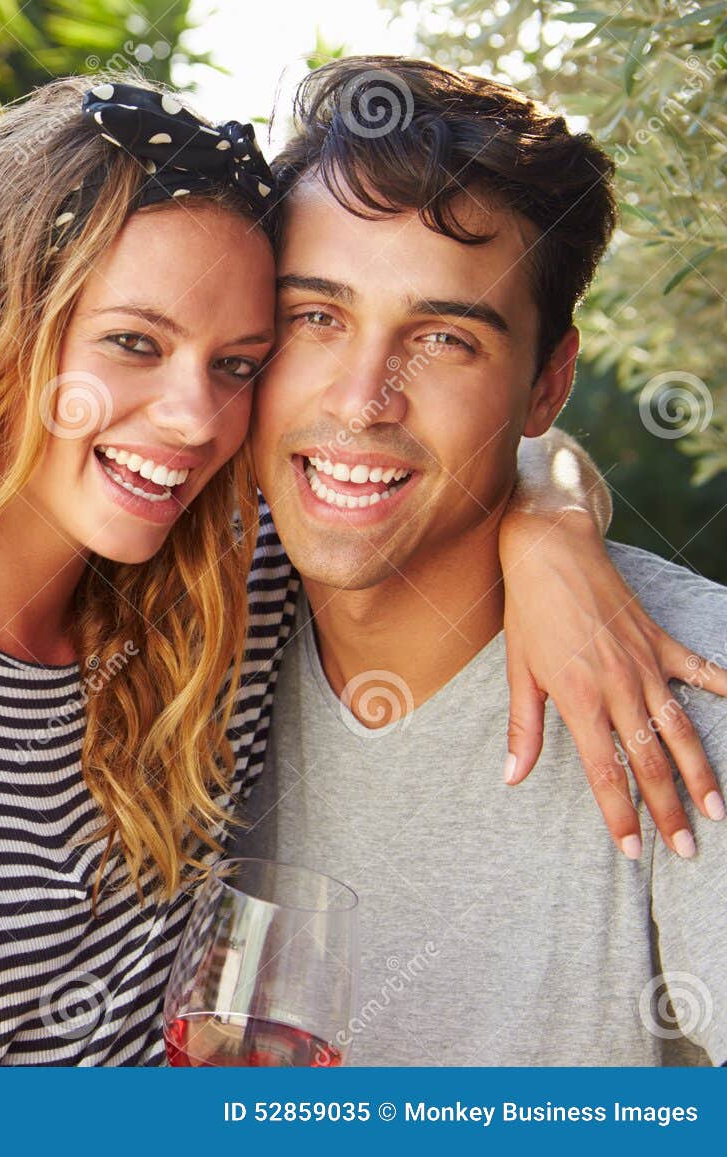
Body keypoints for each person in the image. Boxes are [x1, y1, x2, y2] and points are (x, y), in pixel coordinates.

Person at [0, 76, 718, 1067]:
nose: (193, 416)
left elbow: (435, 474)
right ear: (2, 330)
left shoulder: (216, 596)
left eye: (236, 362)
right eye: (133, 343)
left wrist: (548, 527)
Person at [234, 56, 727, 1064]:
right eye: (315, 317)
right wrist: (550, 508)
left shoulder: (689, 683)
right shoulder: (196, 620)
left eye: (445, 339)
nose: (362, 398)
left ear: (546, 385)